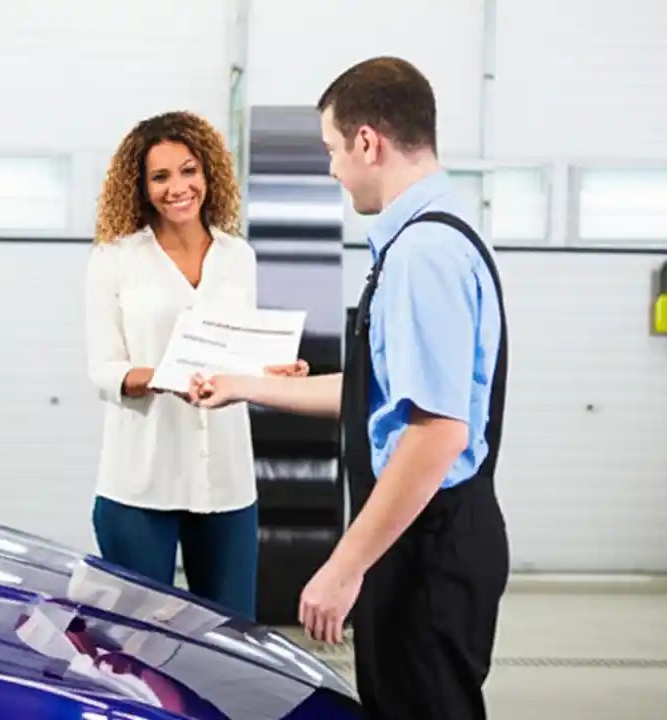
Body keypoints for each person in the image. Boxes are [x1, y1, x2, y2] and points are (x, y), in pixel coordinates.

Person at [190, 56, 510, 720]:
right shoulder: (428, 241)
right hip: (424, 537)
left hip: (424, 545)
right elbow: (381, 397)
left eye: (334, 149)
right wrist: (243, 385)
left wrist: (344, 566)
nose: (333, 169)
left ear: (369, 142)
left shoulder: (423, 256)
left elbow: (436, 433)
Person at [83, 110, 305, 620]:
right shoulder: (114, 258)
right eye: (160, 176)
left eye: (189, 171)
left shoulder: (238, 257)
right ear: (140, 186)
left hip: (224, 481)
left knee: (230, 642)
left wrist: (270, 373)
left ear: (208, 174)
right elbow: (103, 368)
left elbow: (236, 354)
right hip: (139, 482)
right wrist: (166, 379)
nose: (177, 187)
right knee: (134, 643)